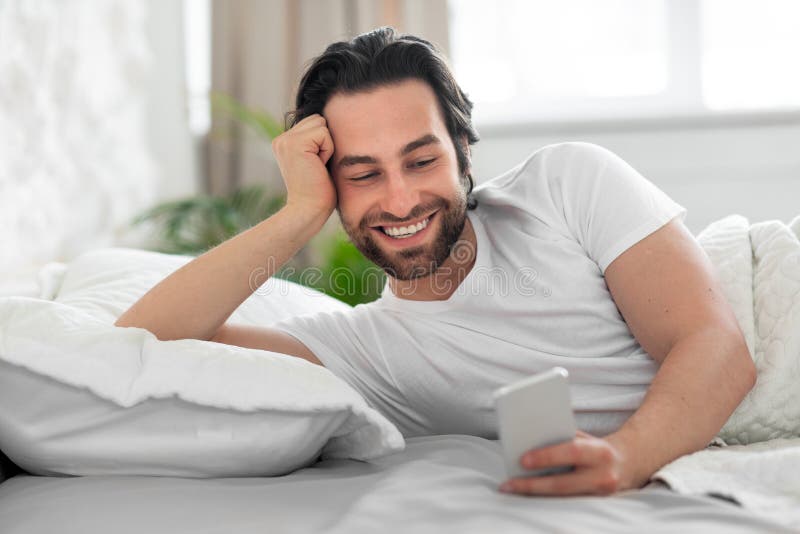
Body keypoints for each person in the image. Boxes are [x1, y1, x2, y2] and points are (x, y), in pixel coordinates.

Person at [115, 27, 756, 497]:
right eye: (362, 174)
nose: (399, 199)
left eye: (421, 161)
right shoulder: (370, 351)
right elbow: (141, 341)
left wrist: (627, 456)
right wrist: (297, 215)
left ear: (464, 153)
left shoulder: (566, 184)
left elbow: (717, 346)